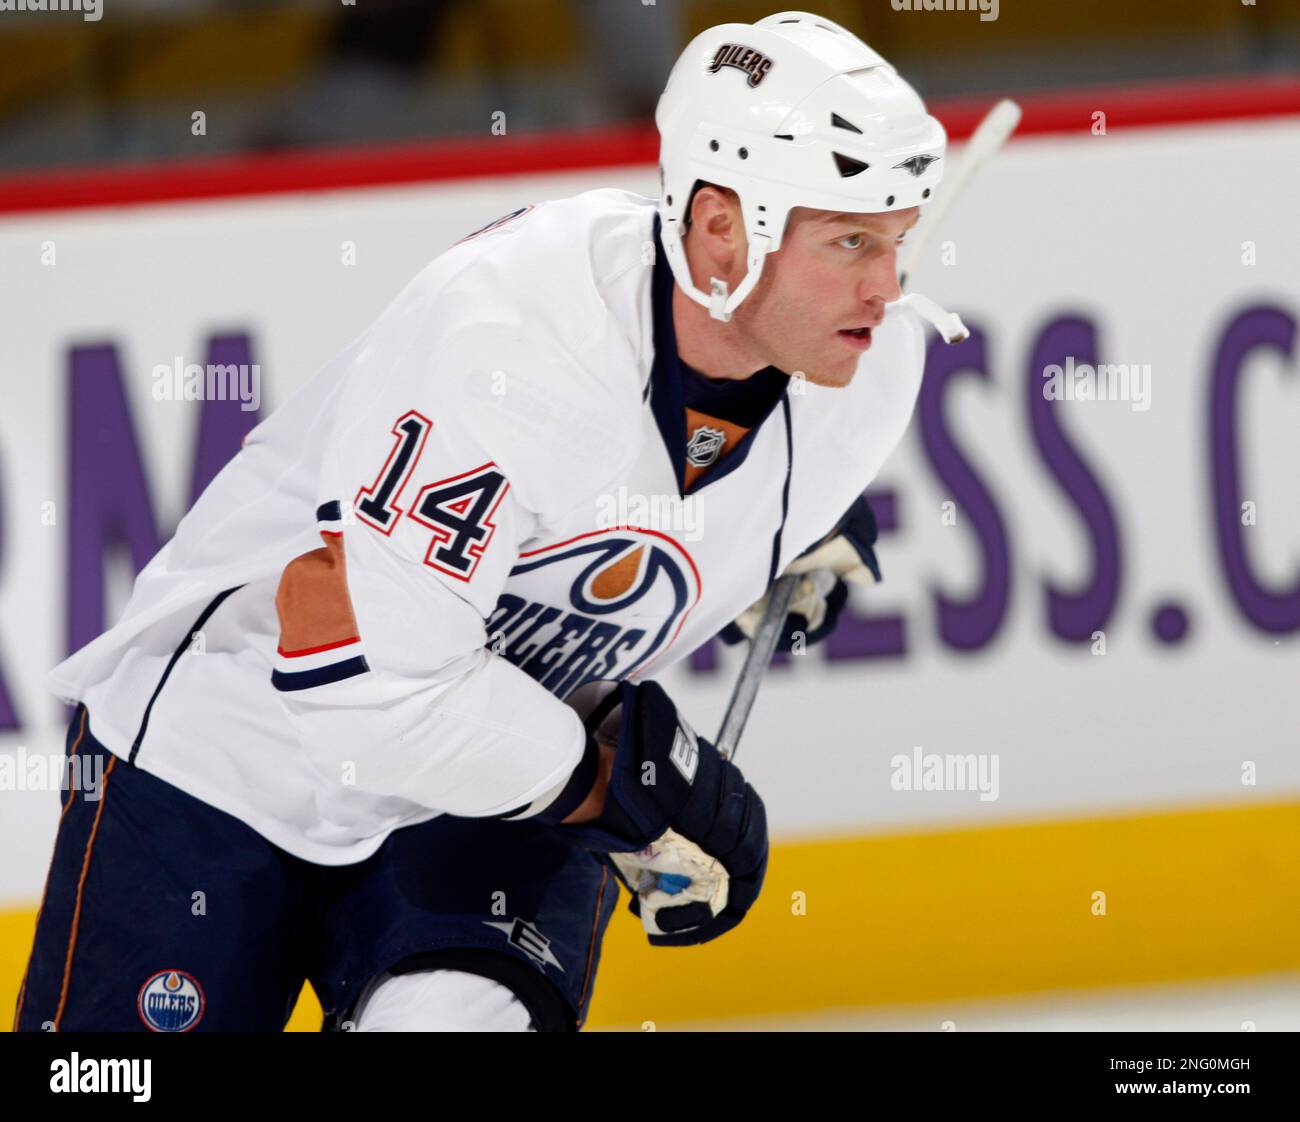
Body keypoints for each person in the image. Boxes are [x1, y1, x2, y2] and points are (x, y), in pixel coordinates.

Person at [15, 11, 958, 1033]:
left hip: (482, 803)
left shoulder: (864, 368)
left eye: (897, 240)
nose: (886, 288)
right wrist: (617, 788)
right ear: (723, 229)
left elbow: (695, 487)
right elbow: (352, 665)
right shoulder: (512, 338)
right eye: (852, 241)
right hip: (228, 755)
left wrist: (776, 529)